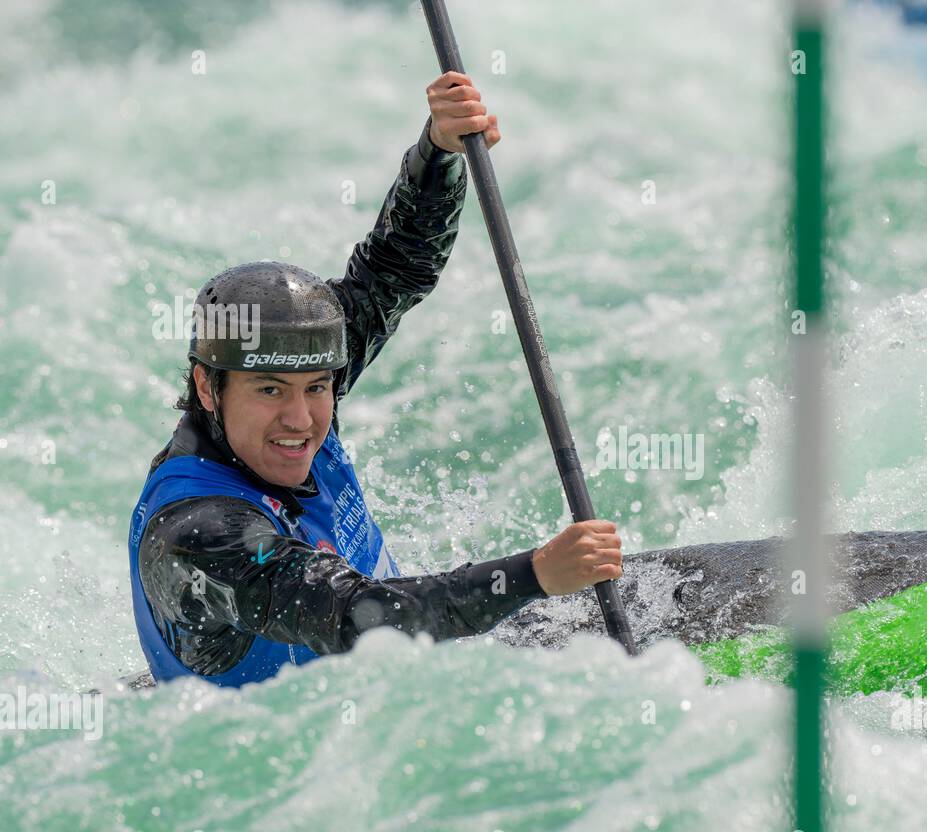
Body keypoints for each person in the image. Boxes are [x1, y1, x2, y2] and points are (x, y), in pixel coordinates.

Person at [128, 73, 623, 687]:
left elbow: (395, 270)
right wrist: (537, 574)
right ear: (208, 388)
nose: (301, 419)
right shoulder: (201, 535)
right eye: (269, 391)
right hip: (291, 748)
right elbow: (356, 618)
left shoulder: (295, 389)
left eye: (318, 387)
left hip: (396, 669)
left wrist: (438, 150)